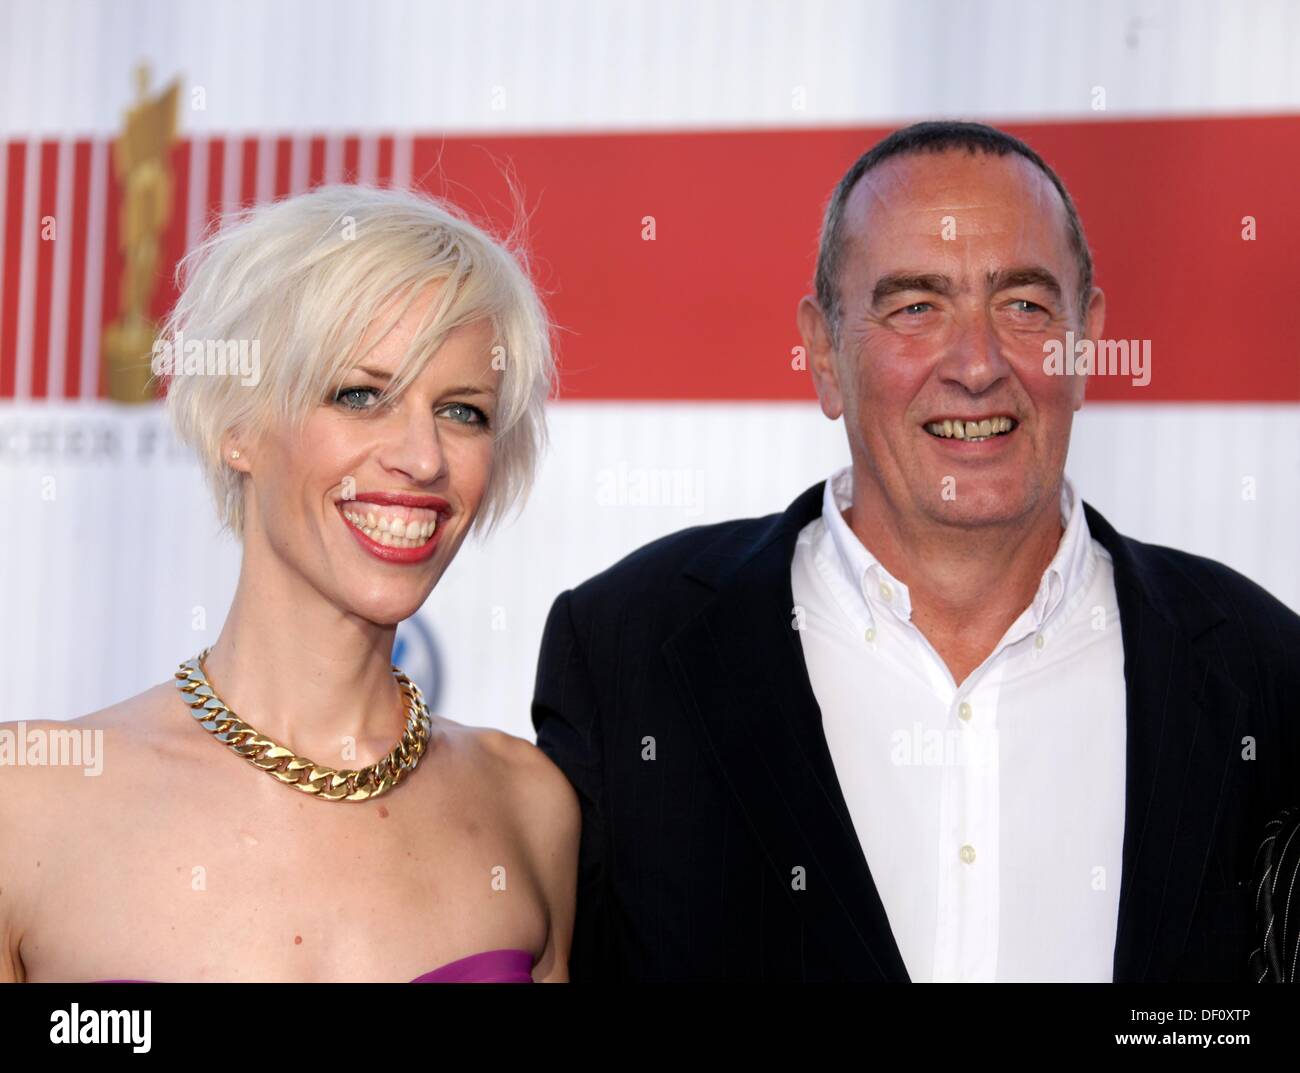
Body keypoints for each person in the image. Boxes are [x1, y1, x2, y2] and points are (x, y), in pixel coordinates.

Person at [532, 120, 1300, 982]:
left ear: (1085, 340)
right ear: (824, 352)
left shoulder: (1263, 673)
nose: (976, 364)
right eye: (915, 306)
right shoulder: (626, 651)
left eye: (1023, 305)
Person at [0, 184, 578, 983]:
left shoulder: (529, 808)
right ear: (238, 426)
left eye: (463, 411)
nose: (423, 457)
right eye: (359, 394)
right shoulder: (28, 803)